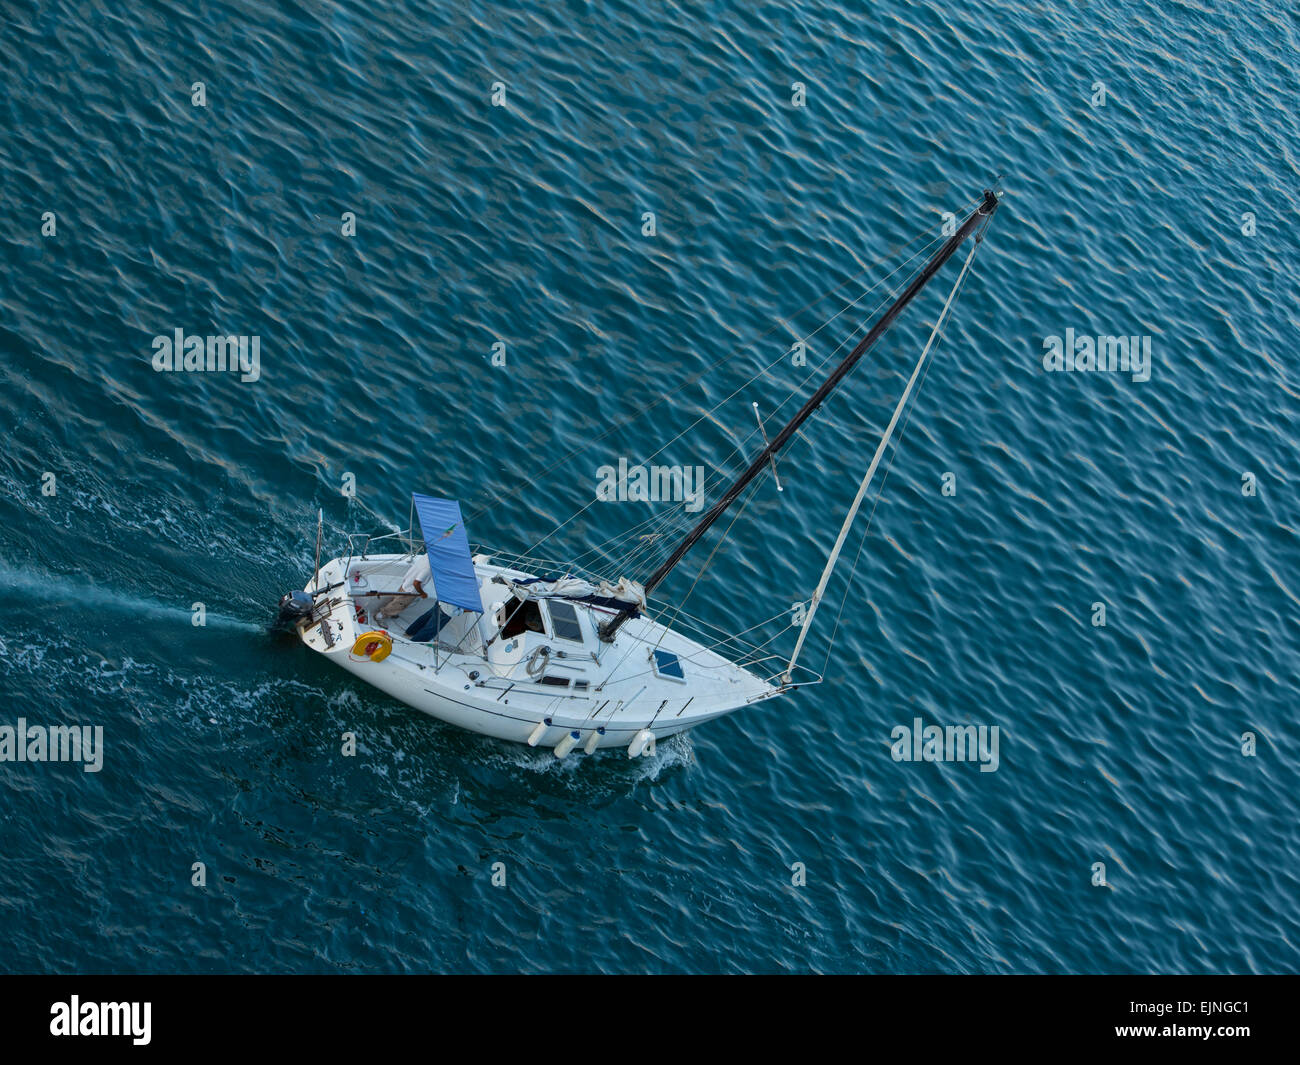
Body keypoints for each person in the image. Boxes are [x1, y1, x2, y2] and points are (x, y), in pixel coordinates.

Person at [376, 554, 432, 620]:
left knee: (396, 601)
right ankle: (380, 616)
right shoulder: (428, 568)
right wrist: (422, 593)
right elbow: (416, 583)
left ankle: (392, 612)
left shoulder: (427, 556)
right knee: (399, 605)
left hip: (406, 583)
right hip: (409, 592)